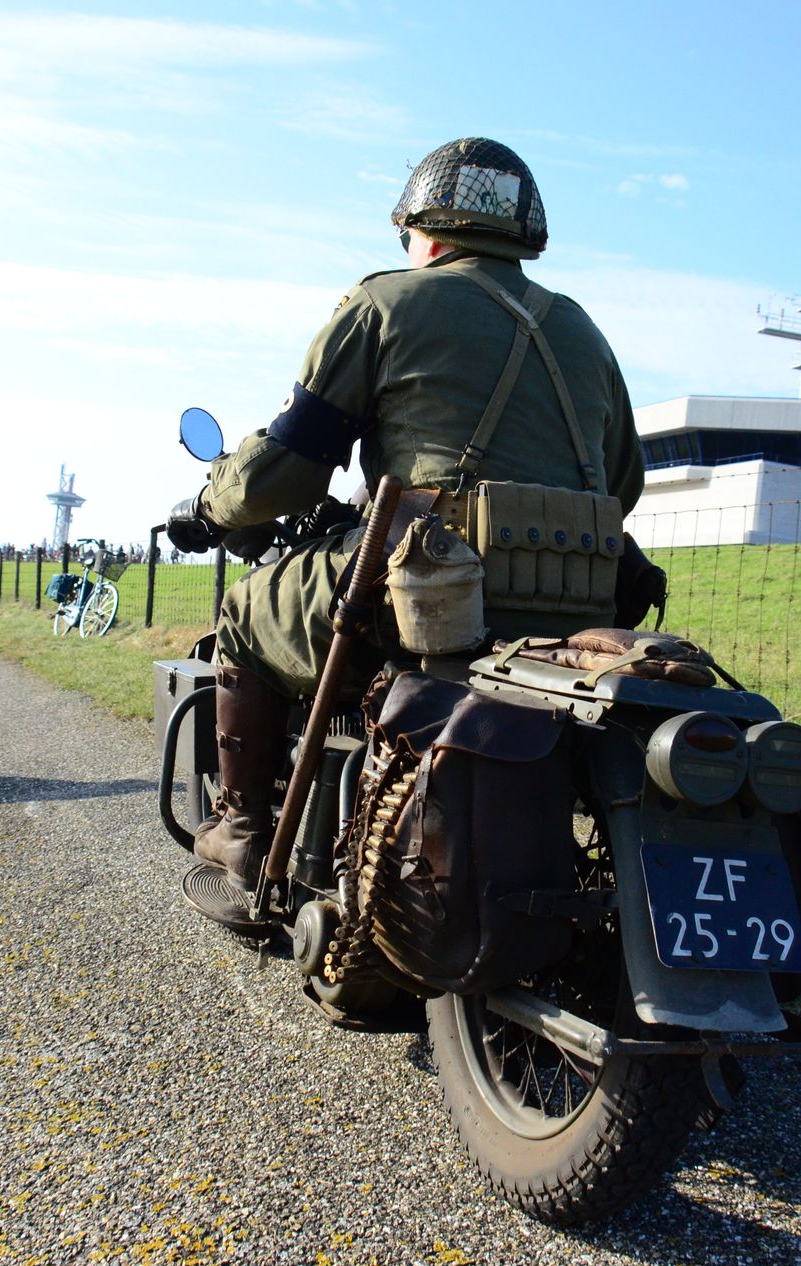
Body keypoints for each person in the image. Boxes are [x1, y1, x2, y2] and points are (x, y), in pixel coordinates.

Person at [166, 137, 644, 891]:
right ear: (522, 237)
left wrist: (208, 503)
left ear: (426, 233)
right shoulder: (584, 331)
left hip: (426, 592)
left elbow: (283, 474)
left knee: (246, 612)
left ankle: (243, 827)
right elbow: (624, 484)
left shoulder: (386, 303)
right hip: (576, 611)